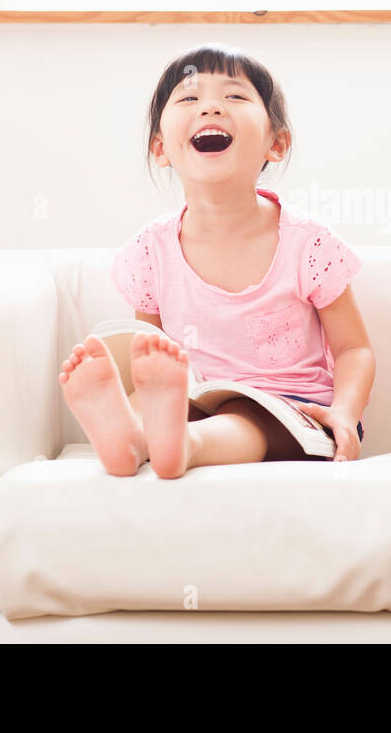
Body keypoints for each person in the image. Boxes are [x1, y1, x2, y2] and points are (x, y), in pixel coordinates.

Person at [60, 43, 374, 478]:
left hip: (294, 410)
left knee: (244, 421)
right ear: (160, 148)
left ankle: (182, 445)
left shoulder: (309, 244)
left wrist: (344, 411)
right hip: (191, 400)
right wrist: (145, 391)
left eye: (234, 96)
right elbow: (147, 354)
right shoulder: (151, 250)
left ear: (276, 144)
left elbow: (353, 347)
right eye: (189, 98)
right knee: (156, 398)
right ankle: (131, 440)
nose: (210, 107)